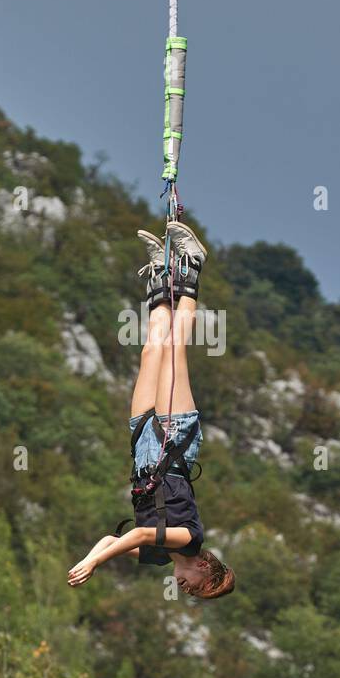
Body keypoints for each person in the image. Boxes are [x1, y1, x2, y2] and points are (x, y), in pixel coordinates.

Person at [67, 219, 235, 599]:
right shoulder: (189, 538)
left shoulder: (158, 557)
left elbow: (113, 537)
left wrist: (88, 559)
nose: (186, 590)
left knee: (150, 351)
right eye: (196, 588)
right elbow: (139, 533)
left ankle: (162, 275)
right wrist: (97, 562)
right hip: (173, 440)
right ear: (205, 567)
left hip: (144, 446)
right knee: (175, 348)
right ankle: (192, 264)